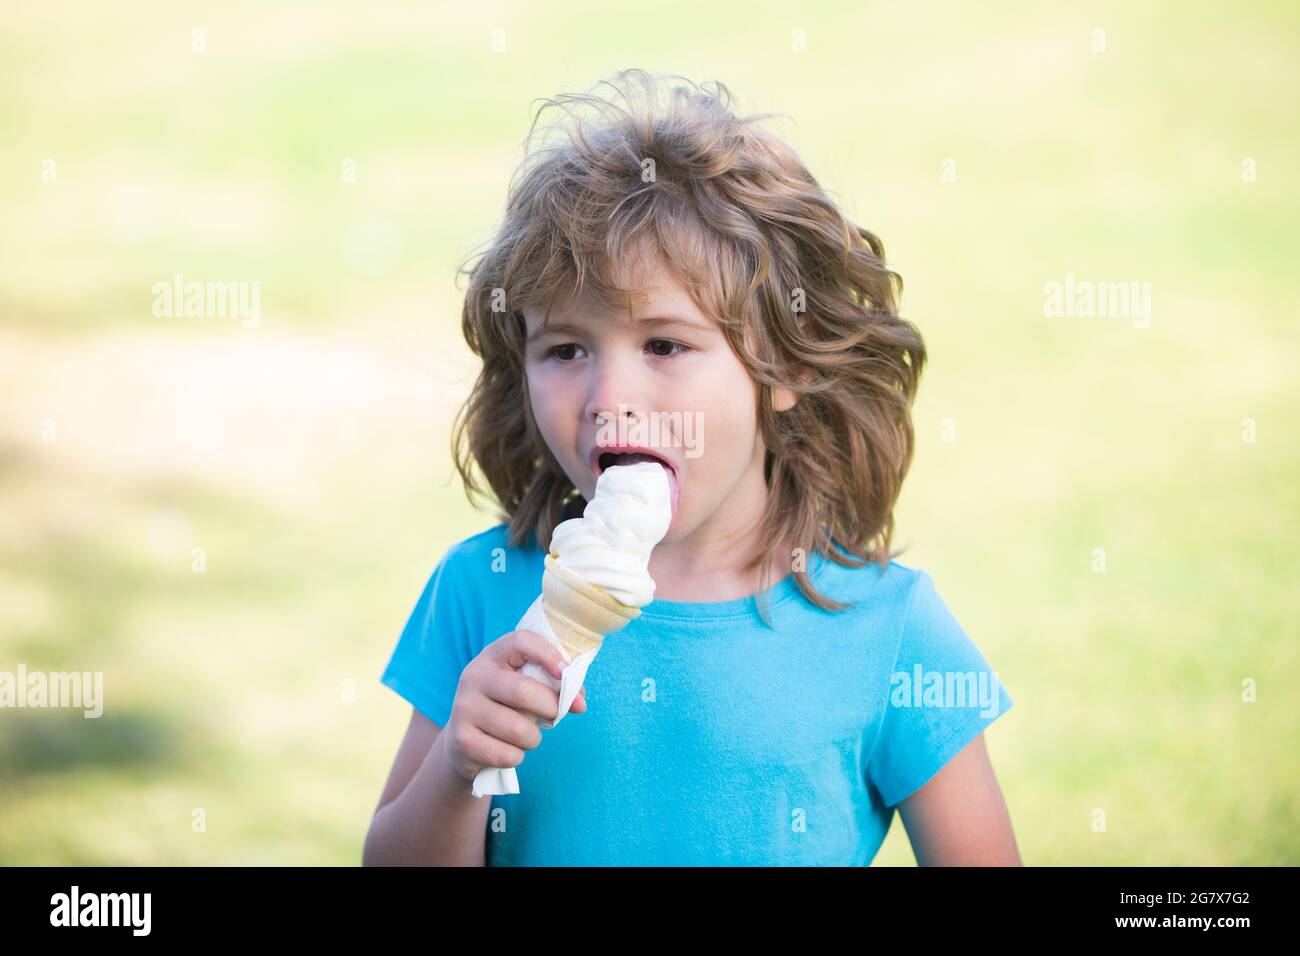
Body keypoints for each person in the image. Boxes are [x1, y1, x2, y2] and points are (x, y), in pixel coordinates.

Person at [363, 69, 1019, 866]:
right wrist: (460, 767)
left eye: (665, 345)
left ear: (781, 367)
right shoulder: (482, 589)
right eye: (565, 349)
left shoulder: (889, 628)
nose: (611, 396)